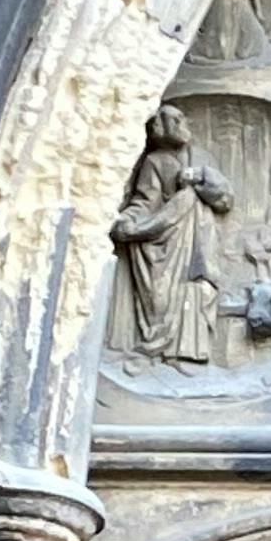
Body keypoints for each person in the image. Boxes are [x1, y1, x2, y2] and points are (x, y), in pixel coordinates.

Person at [108, 103, 234, 365]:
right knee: (163, 295)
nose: (181, 124)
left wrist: (201, 177)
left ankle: (190, 354)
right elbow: (145, 201)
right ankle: (159, 349)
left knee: (198, 289)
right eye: (173, 121)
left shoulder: (202, 158)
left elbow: (225, 199)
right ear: (160, 128)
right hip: (167, 238)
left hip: (199, 238)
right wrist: (130, 221)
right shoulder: (154, 161)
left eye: (182, 119)